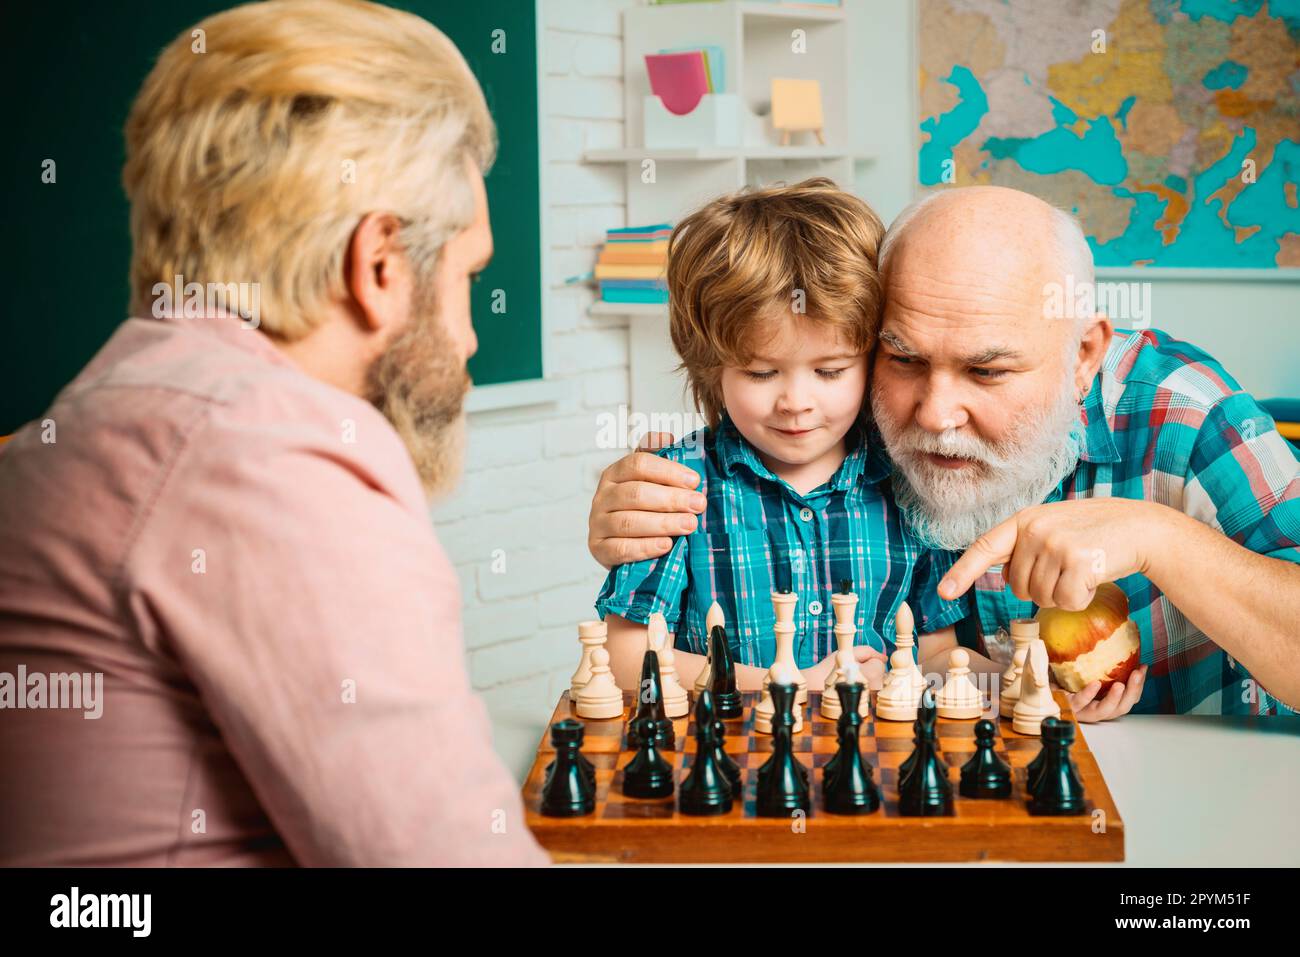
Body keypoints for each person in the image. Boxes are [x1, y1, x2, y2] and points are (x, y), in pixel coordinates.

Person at [0, 0, 548, 865]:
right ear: (380, 265)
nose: (475, 335)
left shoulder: (88, 414)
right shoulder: (273, 455)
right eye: (469, 274)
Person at [588, 187, 1300, 718]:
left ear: (1083, 354)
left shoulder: (1184, 417)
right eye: (902, 358)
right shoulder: (851, 430)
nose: (934, 414)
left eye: (986, 370)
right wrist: (625, 502)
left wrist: (1159, 539)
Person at [594, 179, 971, 693]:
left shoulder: (911, 481)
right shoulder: (675, 487)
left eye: (831, 370)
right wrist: (783, 683)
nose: (796, 401)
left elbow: (939, 650)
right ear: (712, 367)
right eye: (761, 373)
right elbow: (623, 659)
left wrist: (1030, 679)